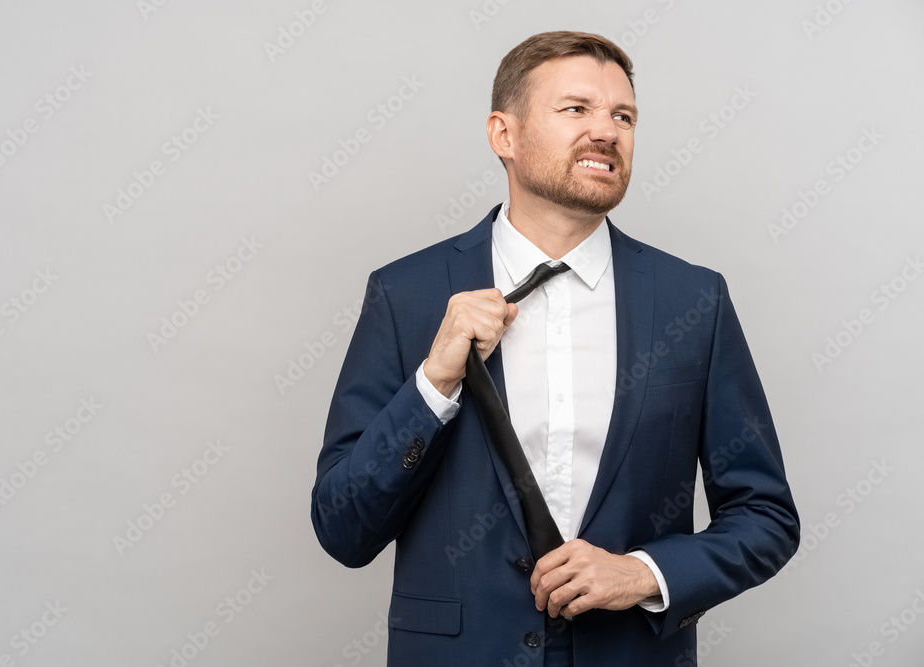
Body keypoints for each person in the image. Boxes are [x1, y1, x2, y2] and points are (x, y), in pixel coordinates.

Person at [311, 31, 799, 666]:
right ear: (503, 135)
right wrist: (433, 385)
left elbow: (766, 516)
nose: (606, 132)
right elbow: (343, 528)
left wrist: (645, 574)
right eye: (576, 109)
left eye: (623, 116)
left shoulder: (694, 301)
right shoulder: (406, 294)